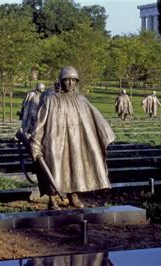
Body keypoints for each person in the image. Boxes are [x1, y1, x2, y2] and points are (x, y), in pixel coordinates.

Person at [29, 66, 115, 210]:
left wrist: (104, 132)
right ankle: (53, 199)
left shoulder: (81, 100)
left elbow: (95, 119)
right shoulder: (51, 99)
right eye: (67, 80)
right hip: (55, 140)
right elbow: (41, 121)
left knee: (75, 167)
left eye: (73, 80)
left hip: (76, 141)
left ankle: (73, 195)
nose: (70, 83)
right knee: (54, 168)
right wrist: (35, 142)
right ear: (61, 81)